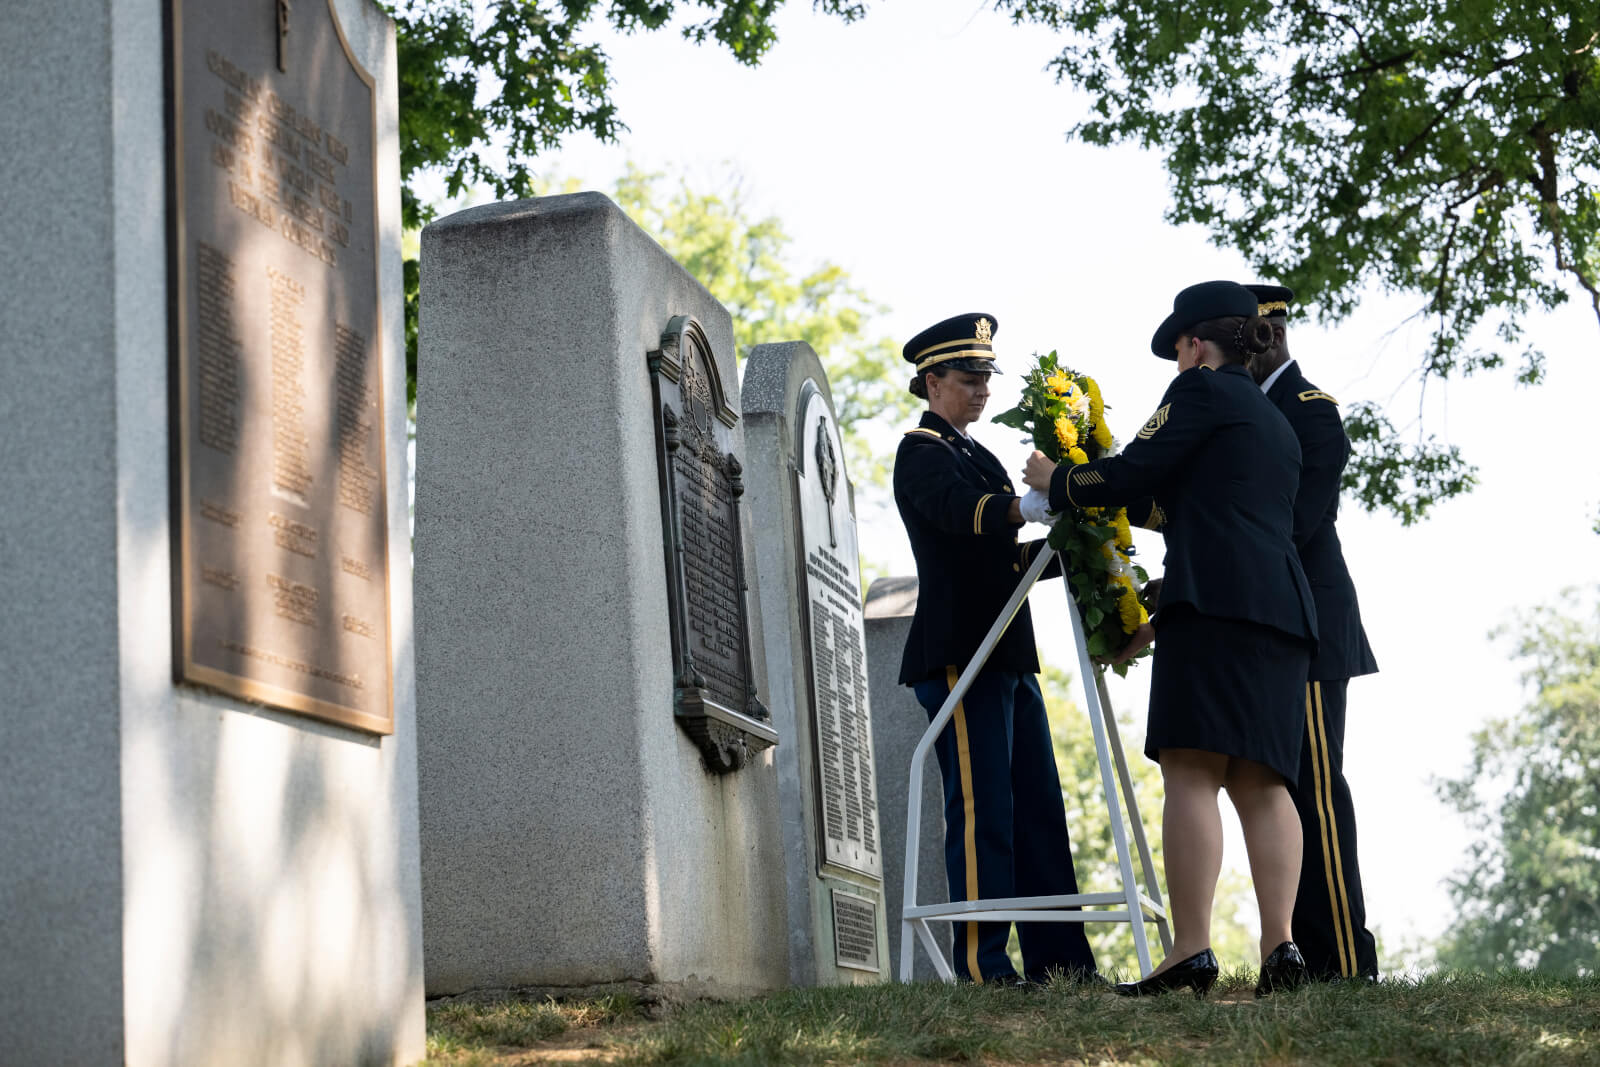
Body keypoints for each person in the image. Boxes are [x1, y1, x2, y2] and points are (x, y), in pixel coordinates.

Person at [1021, 280, 1317, 998]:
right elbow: (1202, 507)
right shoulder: (1276, 422)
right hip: (1282, 610)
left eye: (1177, 351)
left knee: (1191, 769)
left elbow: (1133, 470)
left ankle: (1190, 950)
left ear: (1192, 344)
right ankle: (1282, 946)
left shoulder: (1198, 393)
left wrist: (1056, 480)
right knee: (1262, 778)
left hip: (1213, 607)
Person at [893, 312, 1098, 986]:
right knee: (986, 812)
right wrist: (1023, 508)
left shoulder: (974, 451)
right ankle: (984, 966)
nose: (982, 387)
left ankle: (1059, 963)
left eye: (986, 375)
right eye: (967, 375)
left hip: (1006, 649)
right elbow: (961, 515)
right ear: (931, 381)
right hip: (960, 650)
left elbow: (1008, 561)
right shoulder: (922, 451)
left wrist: (1089, 549)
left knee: (1038, 809)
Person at [1245, 283, 1381, 982]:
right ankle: (1301, 953)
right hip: (1272, 623)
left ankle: (1347, 960)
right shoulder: (1247, 412)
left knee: (1316, 790)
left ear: (1265, 338)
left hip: (1311, 624)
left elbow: (1292, 522)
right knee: (1281, 786)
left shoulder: (1309, 411)